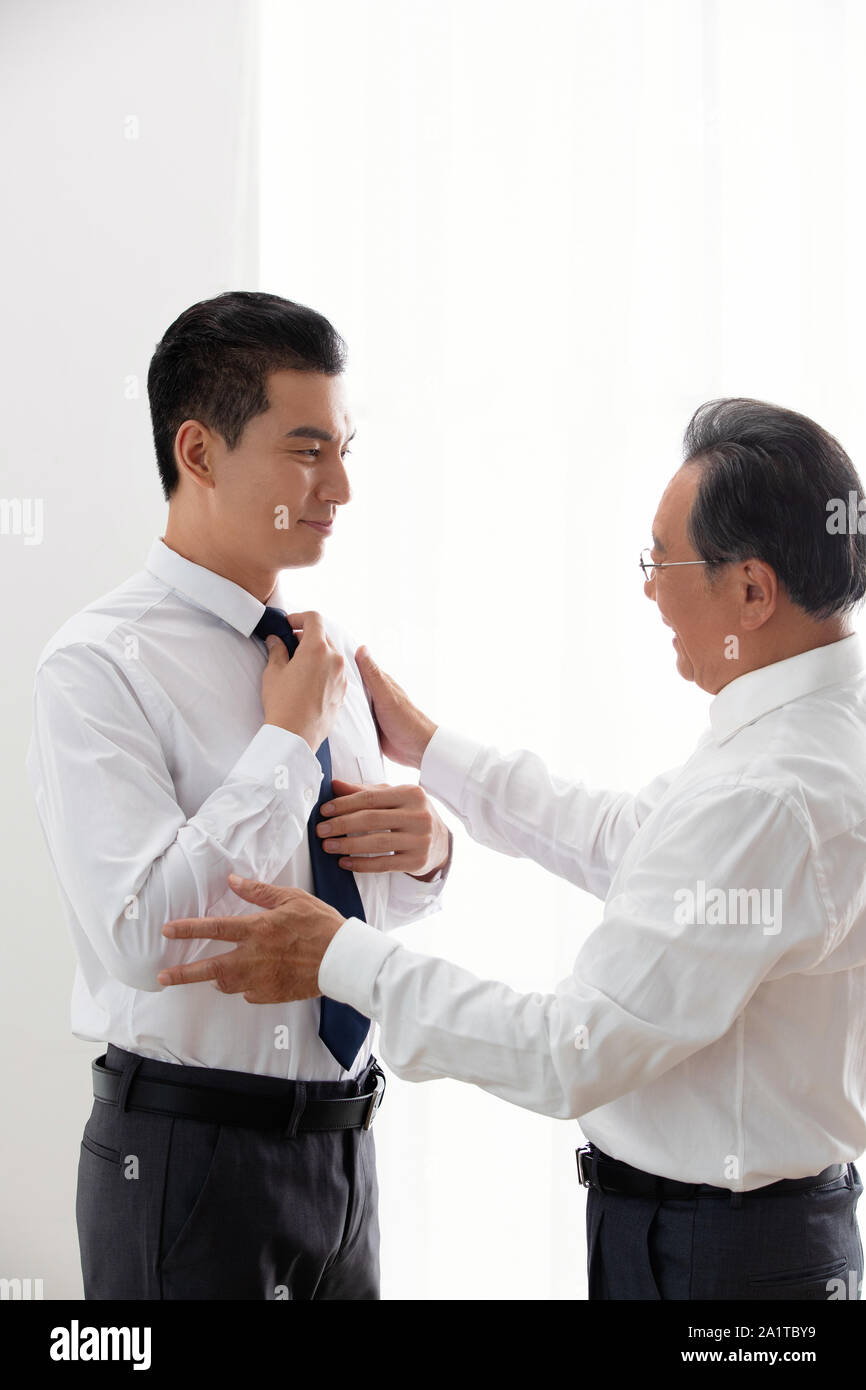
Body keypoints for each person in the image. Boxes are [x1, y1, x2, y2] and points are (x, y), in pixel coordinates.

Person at [160, 397, 866, 1301]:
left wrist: (341, 957)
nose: (649, 588)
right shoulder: (798, 729)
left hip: (719, 1261)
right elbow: (636, 844)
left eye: (661, 561)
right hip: (736, 1240)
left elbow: (566, 1049)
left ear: (753, 592)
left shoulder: (771, 793)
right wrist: (432, 748)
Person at [25, 290, 452, 1301]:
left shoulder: (318, 650)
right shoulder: (94, 665)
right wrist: (280, 740)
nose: (339, 485)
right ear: (201, 452)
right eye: (307, 450)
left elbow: (346, 902)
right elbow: (144, 934)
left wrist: (427, 852)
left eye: (344, 448)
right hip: (185, 1158)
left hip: (346, 1148)